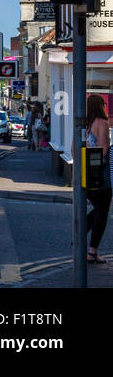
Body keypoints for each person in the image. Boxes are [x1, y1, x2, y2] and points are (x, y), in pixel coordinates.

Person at [87, 94, 112, 265]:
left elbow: (75, 148)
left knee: (97, 209)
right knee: (101, 213)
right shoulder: (102, 124)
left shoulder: (85, 125)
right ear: (100, 106)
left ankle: (79, 234)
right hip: (100, 175)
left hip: (85, 173)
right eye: (104, 104)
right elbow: (103, 151)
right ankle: (92, 252)